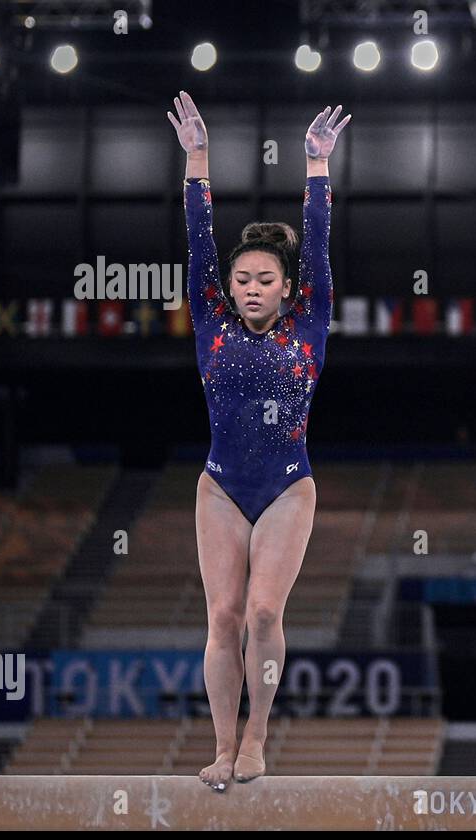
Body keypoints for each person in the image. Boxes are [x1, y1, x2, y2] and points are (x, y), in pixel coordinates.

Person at [167, 90, 350, 791]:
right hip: (220, 486)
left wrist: (315, 167)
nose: (248, 287)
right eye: (241, 278)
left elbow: (320, 242)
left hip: (286, 486)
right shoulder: (210, 320)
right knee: (223, 615)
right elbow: (197, 237)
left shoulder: (310, 323)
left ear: (285, 287)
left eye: (263, 279)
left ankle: (256, 736)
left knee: (266, 612)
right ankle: (220, 744)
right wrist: (198, 158)